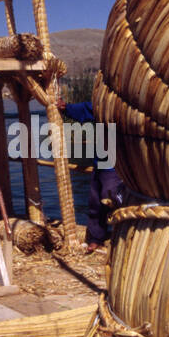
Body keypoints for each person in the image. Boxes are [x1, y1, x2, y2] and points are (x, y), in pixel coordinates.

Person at [57, 99, 125, 252]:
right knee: (95, 202)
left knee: (114, 198)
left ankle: (123, 236)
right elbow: (85, 108)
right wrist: (66, 107)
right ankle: (96, 239)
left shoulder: (123, 108)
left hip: (116, 165)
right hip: (100, 162)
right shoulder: (102, 105)